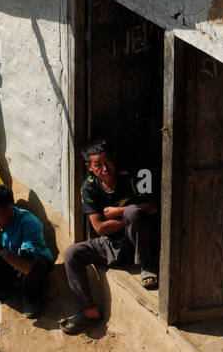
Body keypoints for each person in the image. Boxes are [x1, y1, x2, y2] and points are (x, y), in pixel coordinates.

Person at [60, 138, 159, 335]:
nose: (105, 168)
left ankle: (146, 265)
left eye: (108, 161)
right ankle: (88, 311)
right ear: (89, 167)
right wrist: (129, 216)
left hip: (137, 242)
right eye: (98, 164)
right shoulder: (89, 186)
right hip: (110, 243)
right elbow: (99, 228)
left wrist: (118, 211)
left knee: (132, 212)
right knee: (72, 253)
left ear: (114, 159)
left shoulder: (135, 175)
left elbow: (153, 207)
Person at [0, 184, 53, 319]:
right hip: (6, 265)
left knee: (36, 265)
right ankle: (0, 289)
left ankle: (30, 297)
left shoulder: (29, 222)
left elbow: (27, 267)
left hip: (26, 267)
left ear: (9, 209)